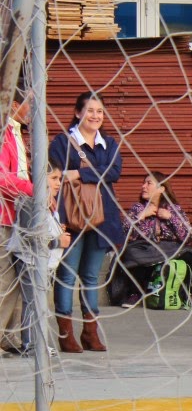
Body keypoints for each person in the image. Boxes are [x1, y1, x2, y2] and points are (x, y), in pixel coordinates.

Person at [49, 91, 123, 353]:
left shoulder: (110, 144)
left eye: (100, 111)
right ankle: (65, 334)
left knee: (91, 276)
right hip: (70, 217)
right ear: (78, 112)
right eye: (90, 110)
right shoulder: (61, 142)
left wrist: (79, 173)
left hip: (101, 219)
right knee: (67, 275)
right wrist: (93, 174)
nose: (95, 116)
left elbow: (114, 171)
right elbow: (56, 173)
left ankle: (90, 333)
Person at [9, 157, 68, 355]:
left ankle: (38, 342)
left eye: (60, 179)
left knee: (40, 304)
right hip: (30, 261)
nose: (58, 183)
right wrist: (57, 241)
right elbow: (29, 237)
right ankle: (31, 345)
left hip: (42, 262)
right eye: (54, 178)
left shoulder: (48, 202)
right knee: (33, 303)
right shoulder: (30, 201)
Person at [115, 172, 192, 308]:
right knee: (131, 252)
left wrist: (171, 218)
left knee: (187, 254)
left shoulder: (174, 209)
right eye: (144, 183)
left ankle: (185, 293)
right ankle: (135, 293)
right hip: (145, 249)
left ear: (161, 188)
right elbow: (125, 232)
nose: (143, 186)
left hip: (170, 248)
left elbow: (187, 236)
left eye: (149, 183)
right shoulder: (138, 208)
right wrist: (141, 216)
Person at [0, 96, 33, 353]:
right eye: (30, 103)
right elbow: (3, 177)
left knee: (16, 280)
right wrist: (35, 191)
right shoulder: (4, 131)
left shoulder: (16, 131)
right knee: (5, 279)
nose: (34, 110)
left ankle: (9, 338)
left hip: (15, 216)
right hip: (3, 217)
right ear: (13, 105)